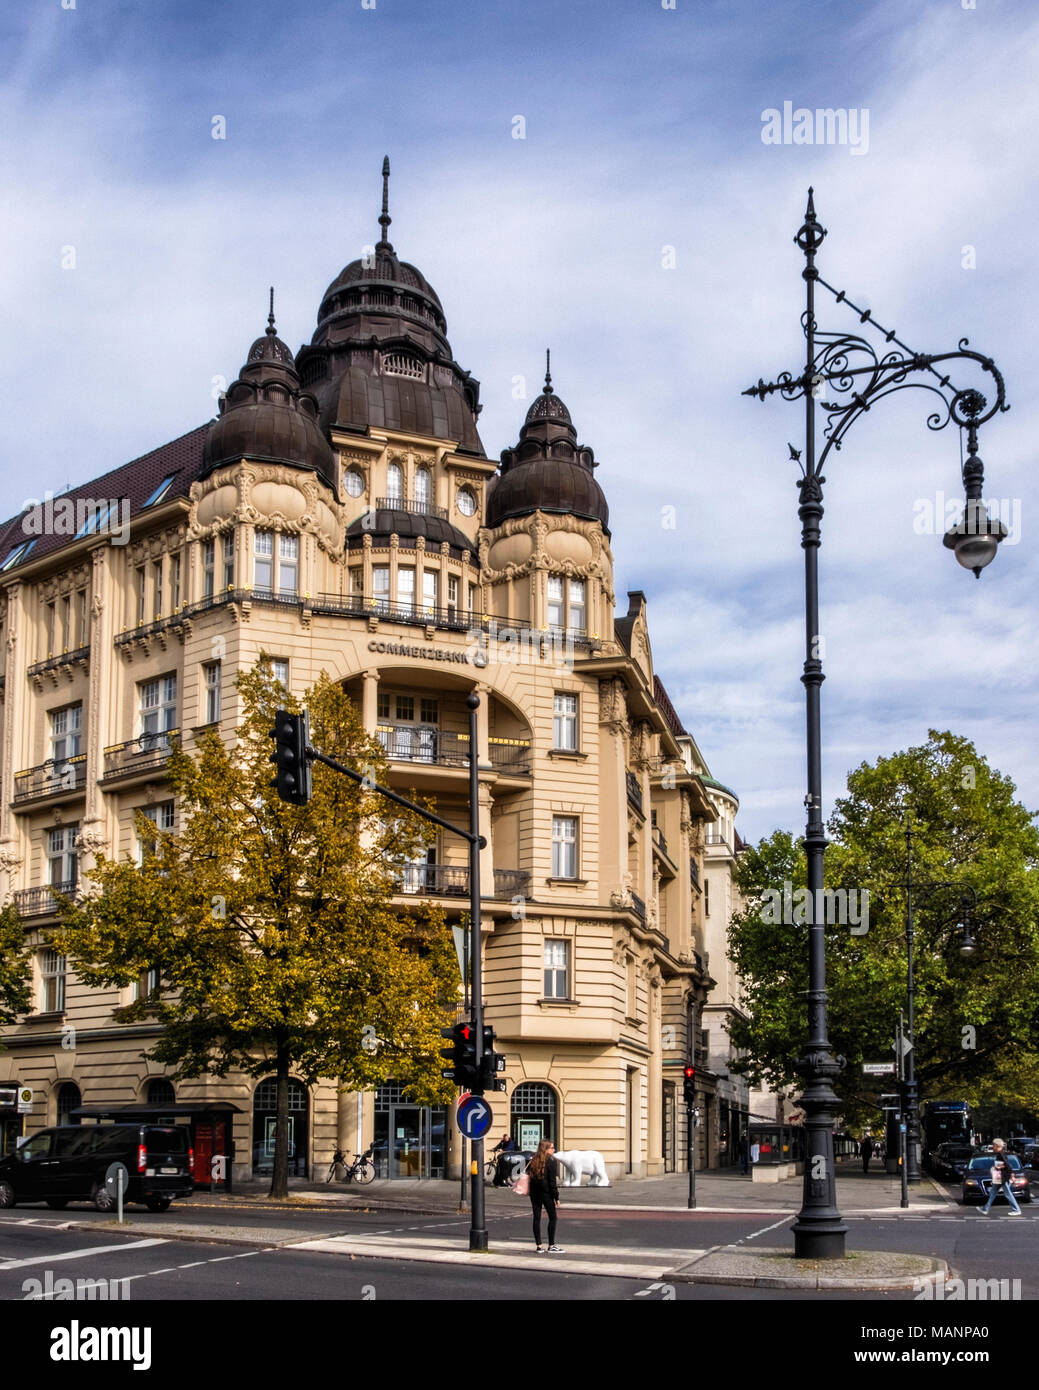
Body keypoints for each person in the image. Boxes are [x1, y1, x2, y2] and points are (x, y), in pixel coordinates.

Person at [527, 1138, 564, 1252]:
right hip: (546, 1193)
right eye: (552, 1148)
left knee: (536, 1218)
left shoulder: (533, 1159)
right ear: (546, 1149)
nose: (554, 1149)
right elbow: (552, 1182)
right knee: (553, 1218)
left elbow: (530, 1176)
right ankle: (551, 1245)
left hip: (534, 1193)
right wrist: (556, 1197)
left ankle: (539, 1246)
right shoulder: (551, 1160)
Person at [980, 1138, 1023, 1216]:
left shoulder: (1001, 1154)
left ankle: (1016, 1209)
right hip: (999, 1177)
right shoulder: (1001, 1154)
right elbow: (1003, 1165)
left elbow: (1007, 1166)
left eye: (993, 1145)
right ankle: (985, 1209)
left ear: (997, 1146)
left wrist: (1010, 1175)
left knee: (1008, 1194)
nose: (993, 1147)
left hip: (1002, 1178)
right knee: (993, 1193)